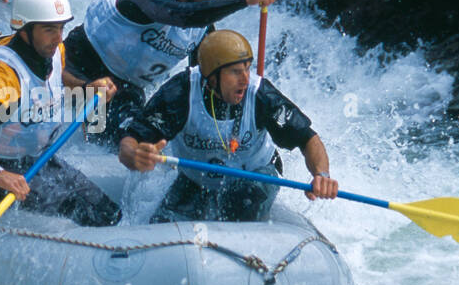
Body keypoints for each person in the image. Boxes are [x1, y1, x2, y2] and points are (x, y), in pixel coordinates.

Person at [0, 0, 121, 227]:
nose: (58, 37)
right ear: (24, 30)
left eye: (61, 28)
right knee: (82, 217)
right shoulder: (0, 75)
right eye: (49, 29)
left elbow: (55, 79)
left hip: (38, 157)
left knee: (108, 213)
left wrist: (88, 88)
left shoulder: (55, 50)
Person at [64, 0, 279, 139]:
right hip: (80, 65)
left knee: (133, 139)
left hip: (123, 90)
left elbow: (207, 83)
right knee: (48, 122)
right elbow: (181, 15)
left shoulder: (202, 29)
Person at [118, 29, 339, 222]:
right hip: (196, 179)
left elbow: (308, 139)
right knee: (162, 224)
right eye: (235, 72)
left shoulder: (261, 94)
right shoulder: (180, 93)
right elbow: (130, 142)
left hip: (255, 175)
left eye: (247, 68)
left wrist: (322, 175)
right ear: (211, 77)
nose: (245, 79)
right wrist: (135, 157)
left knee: (245, 197)